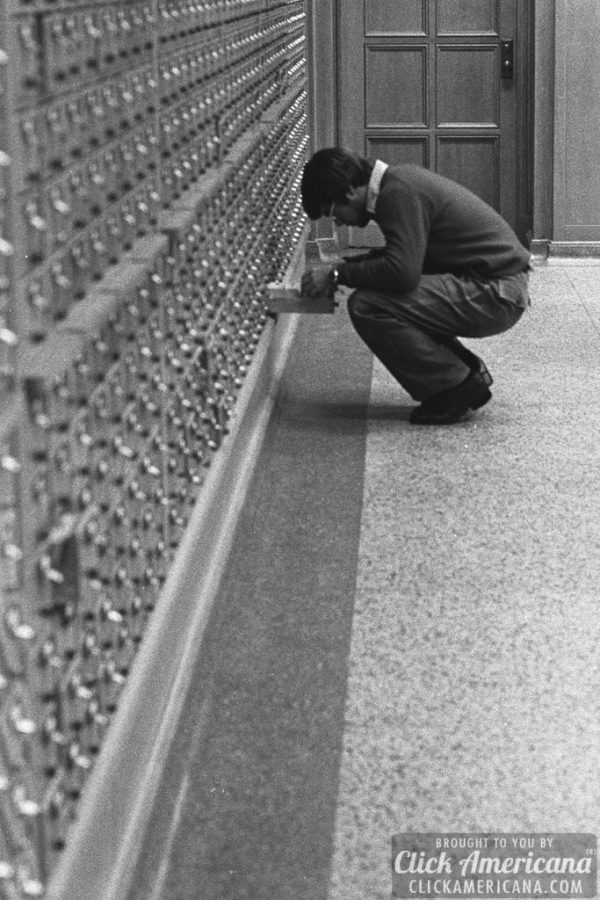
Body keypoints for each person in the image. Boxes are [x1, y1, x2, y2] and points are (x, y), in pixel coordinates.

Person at [300, 148, 531, 425]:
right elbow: (401, 258)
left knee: (367, 305)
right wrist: (341, 268)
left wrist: (336, 274)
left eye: (333, 212)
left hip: (495, 293)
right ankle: (464, 374)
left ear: (349, 191)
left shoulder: (397, 193)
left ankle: (455, 387)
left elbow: (402, 273)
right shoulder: (397, 183)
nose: (338, 222)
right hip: (496, 286)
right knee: (386, 297)